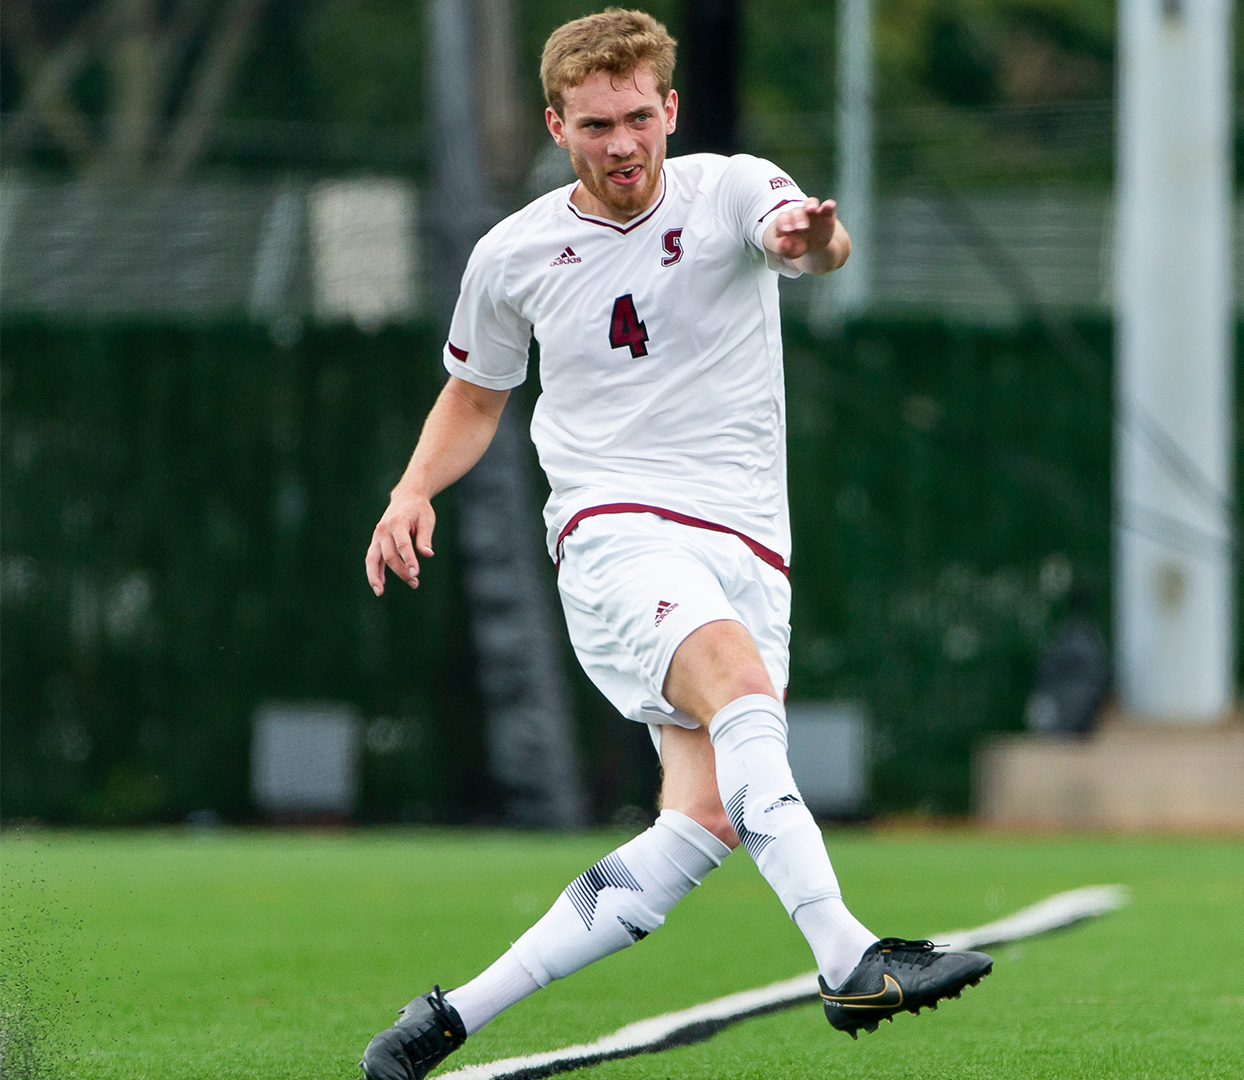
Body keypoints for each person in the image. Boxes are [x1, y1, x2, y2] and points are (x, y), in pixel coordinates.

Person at [356, 10, 990, 1078]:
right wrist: (412, 489)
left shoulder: (734, 189)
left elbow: (816, 242)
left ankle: (446, 1020)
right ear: (557, 125)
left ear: (671, 111)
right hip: (616, 537)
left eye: (639, 117)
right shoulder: (511, 255)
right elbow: (474, 398)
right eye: (595, 123)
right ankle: (847, 955)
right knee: (739, 686)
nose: (622, 143)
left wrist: (813, 240)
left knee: (701, 821)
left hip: (748, 545)